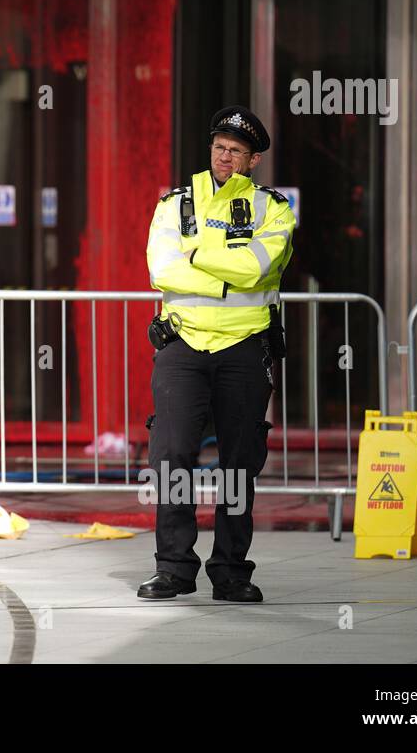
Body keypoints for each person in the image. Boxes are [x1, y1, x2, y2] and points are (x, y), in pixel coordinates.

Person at [139, 106, 296, 603]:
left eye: (236, 151)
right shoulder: (174, 203)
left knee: (238, 464)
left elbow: (257, 267)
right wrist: (225, 262)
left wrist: (197, 253)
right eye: (219, 147)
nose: (225, 157)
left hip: (245, 350)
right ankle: (174, 568)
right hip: (183, 346)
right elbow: (162, 271)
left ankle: (230, 572)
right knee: (171, 458)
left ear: (252, 161)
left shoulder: (275, 208)